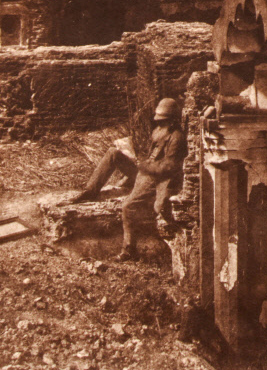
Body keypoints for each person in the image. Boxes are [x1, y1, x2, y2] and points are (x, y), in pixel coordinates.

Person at [75, 97, 187, 260]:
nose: (159, 124)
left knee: (128, 206)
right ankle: (90, 190)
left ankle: (129, 251)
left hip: (155, 178)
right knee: (113, 153)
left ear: (172, 121)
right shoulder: (159, 131)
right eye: (159, 121)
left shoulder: (176, 137)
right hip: (144, 172)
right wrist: (140, 165)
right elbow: (151, 155)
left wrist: (146, 168)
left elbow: (169, 167)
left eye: (163, 122)